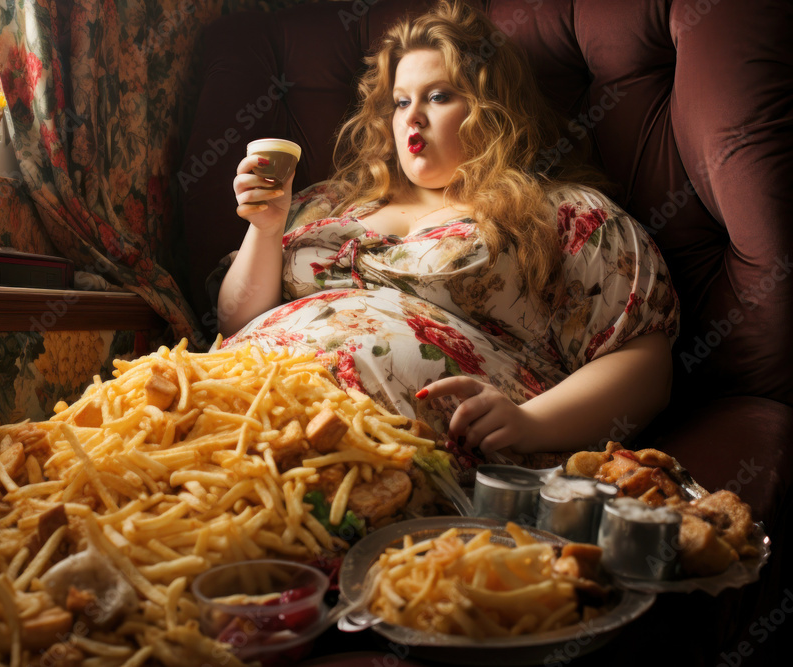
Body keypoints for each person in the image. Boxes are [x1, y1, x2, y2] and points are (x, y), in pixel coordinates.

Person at [215, 0, 678, 469]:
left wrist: (529, 423)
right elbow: (234, 322)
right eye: (400, 101)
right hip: (229, 412)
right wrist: (266, 229)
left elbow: (648, 368)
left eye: (437, 97)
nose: (412, 116)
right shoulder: (328, 201)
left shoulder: (563, 213)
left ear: (489, 108)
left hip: (383, 463)